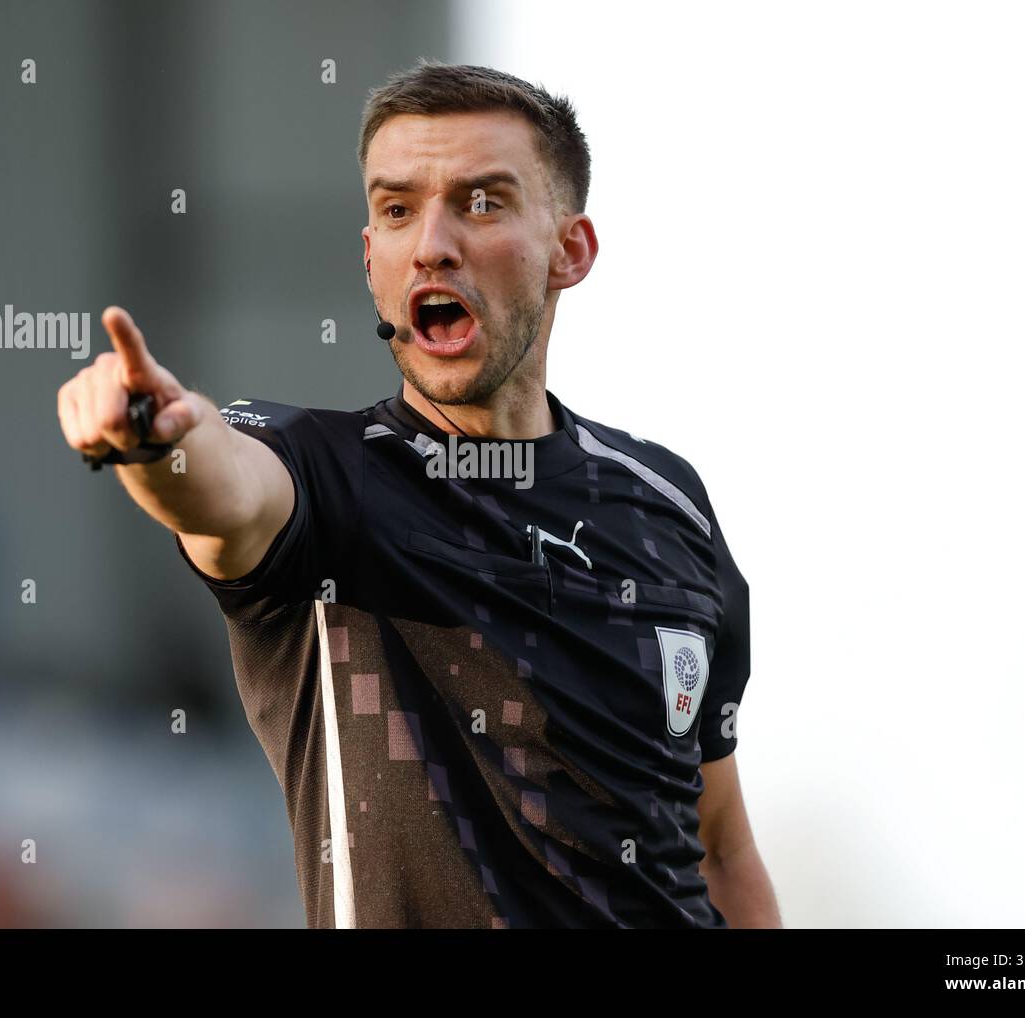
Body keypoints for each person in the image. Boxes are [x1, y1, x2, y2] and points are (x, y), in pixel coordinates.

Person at [57, 60, 780, 929]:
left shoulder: (671, 507)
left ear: (570, 251)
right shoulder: (321, 477)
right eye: (398, 210)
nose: (433, 242)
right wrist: (154, 438)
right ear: (372, 259)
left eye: (481, 202)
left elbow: (721, 843)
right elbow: (220, 486)